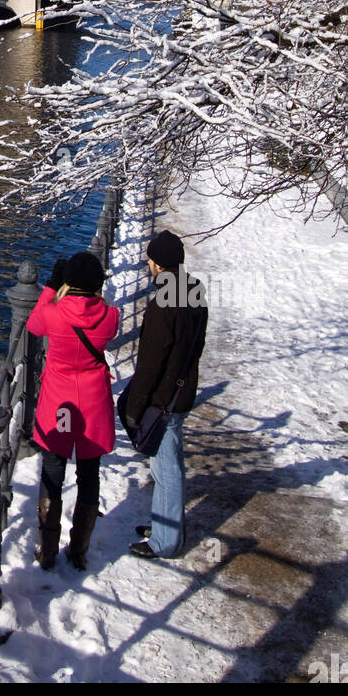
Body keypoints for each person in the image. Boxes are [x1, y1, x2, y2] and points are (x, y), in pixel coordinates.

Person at [26, 250, 120, 571]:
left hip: (59, 402)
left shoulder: (54, 314)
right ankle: (79, 549)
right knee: (89, 474)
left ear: (69, 283)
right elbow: (104, 314)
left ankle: (47, 549)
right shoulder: (110, 317)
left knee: (53, 470)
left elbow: (34, 323)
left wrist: (52, 286)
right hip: (93, 402)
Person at [124, 229, 208, 560]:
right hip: (182, 391)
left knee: (167, 468)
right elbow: (197, 344)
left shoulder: (163, 302)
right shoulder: (194, 290)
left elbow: (150, 362)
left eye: (150, 259)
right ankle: (162, 525)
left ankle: (166, 541)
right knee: (165, 465)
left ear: (158, 265)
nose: (148, 263)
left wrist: (135, 405)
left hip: (163, 399)